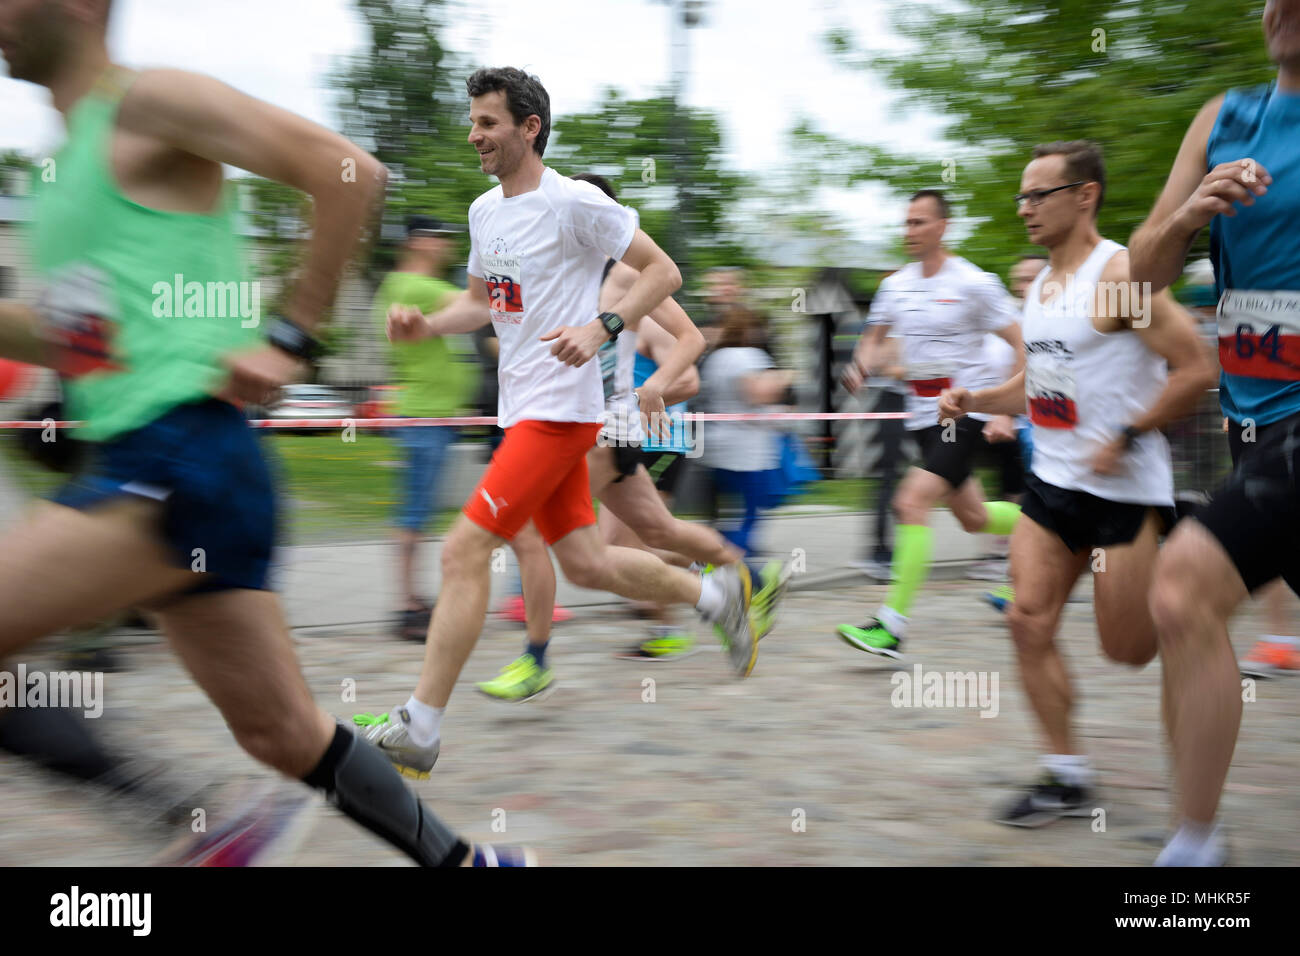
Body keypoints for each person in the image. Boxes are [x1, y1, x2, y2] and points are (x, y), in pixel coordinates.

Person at [0, 0, 530, 865]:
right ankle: (472, 863)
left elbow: (347, 170)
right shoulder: (61, 172)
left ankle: (188, 821)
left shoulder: (144, 101)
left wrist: (292, 334)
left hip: (178, 462)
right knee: (286, 733)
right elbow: (68, 335)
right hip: (183, 473)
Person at [353, 68, 764, 777]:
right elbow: (481, 302)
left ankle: (422, 725)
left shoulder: (574, 202)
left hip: (563, 413)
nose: (474, 134)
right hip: (523, 413)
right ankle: (714, 594)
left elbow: (663, 273)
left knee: (462, 552)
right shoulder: (487, 212)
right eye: (474, 121)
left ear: (529, 127)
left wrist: (604, 326)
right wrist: (426, 325)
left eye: (487, 122)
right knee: (588, 562)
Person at [941, 139, 1213, 827]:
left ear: (1084, 195)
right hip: (1052, 486)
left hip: (1123, 493)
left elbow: (1194, 371)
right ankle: (1066, 776)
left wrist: (1128, 434)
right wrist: (975, 400)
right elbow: (1035, 389)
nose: (1025, 208)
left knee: (1126, 650)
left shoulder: (1119, 274)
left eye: (1039, 194)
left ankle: (1187, 555)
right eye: (1021, 197)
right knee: (1027, 620)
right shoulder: (1040, 289)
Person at [475, 172, 787, 702]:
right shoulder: (562, 272)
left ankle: (536, 659)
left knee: (541, 534)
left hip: (601, 425)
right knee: (659, 530)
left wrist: (658, 387)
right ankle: (750, 576)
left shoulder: (623, 274)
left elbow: (689, 339)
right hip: (596, 425)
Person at [1129, 0, 1300, 864]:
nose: (1282, 7)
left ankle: (1194, 852)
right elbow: (1137, 278)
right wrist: (1189, 212)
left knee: (1181, 588)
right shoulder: (1224, 120)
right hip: (1252, 422)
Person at [836, 189, 1024, 659]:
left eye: (919, 222)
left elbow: (1024, 344)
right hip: (921, 414)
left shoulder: (975, 283)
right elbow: (873, 340)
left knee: (910, 501)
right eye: (906, 222)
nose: (910, 231)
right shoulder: (894, 285)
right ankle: (1056, 521)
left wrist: (1006, 409)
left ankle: (891, 625)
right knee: (973, 517)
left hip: (964, 410)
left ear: (943, 227)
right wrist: (861, 365)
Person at [373, 215, 478, 640]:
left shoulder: (406, 287)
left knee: (418, 510)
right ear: (418, 243)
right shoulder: (417, 288)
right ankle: (406, 606)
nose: (447, 245)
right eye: (440, 238)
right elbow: (484, 301)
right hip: (424, 415)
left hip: (430, 414)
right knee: (413, 511)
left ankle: (412, 600)